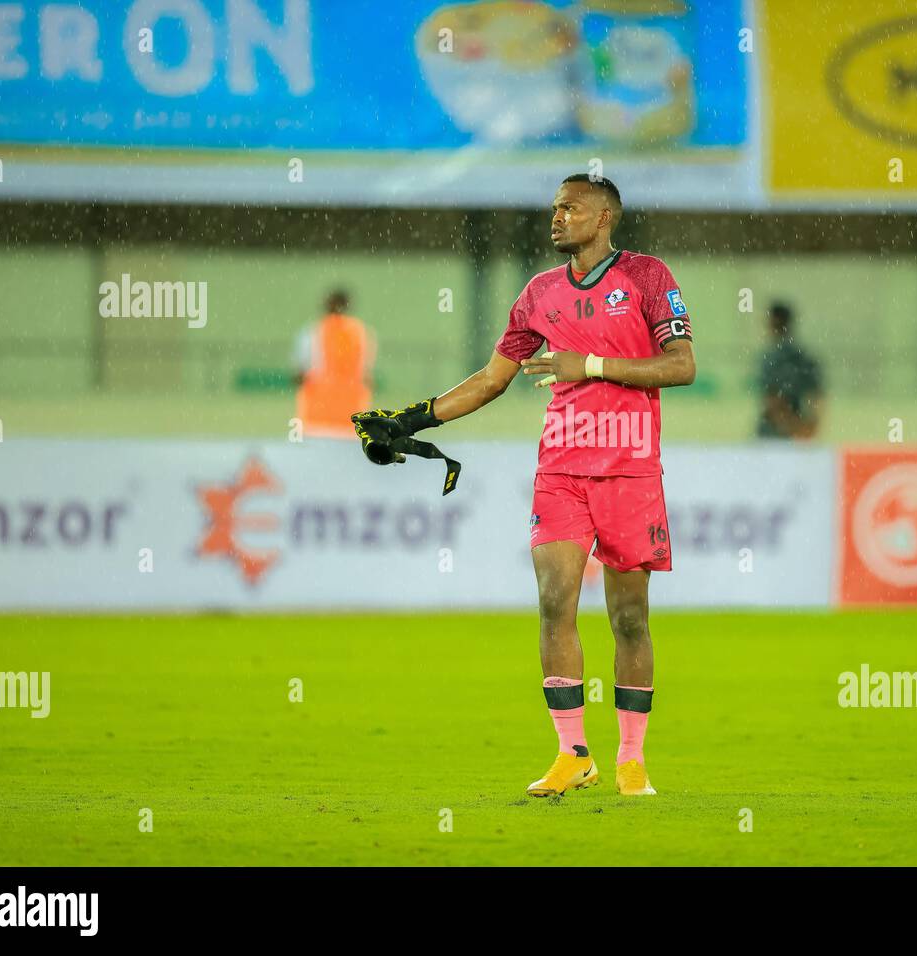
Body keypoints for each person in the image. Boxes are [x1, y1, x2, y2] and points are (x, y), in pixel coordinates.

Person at [350, 175, 695, 797]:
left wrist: (588, 365)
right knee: (555, 600)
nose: (557, 216)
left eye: (570, 207)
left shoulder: (647, 278)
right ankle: (572, 754)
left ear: (606, 216)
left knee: (629, 618)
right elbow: (490, 379)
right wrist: (409, 419)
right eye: (554, 207)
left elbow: (682, 365)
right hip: (561, 469)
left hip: (631, 470)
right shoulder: (539, 294)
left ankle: (632, 759)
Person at [293, 290, 376, 439]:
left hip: (316, 422)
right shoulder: (362, 334)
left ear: (325, 306)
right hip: (353, 422)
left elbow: (299, 376)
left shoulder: (312, 332)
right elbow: (367, 376)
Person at [757, 301, 823, 439]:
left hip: (772, 437)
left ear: (773, 322)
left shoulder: (771, 358)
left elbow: (772, 401)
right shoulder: (804, 357)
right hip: (796, 437)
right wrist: (805, 431)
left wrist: (791, 428)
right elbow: (817, 400)